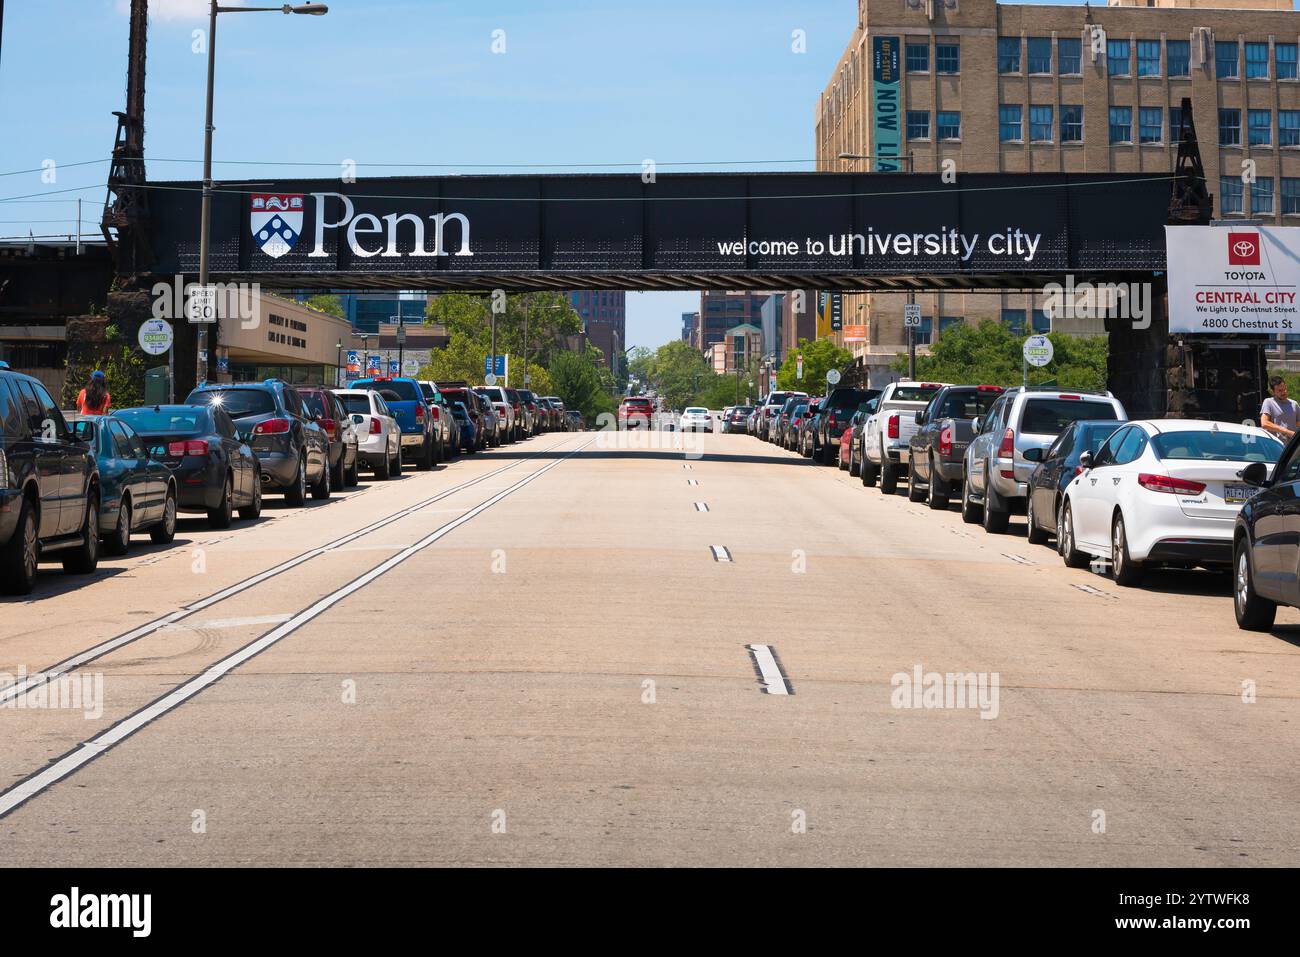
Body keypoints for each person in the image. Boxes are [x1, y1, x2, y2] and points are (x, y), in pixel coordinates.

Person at [1261, 375, 1298, 441]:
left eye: (1285, 389)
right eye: (1280, 390)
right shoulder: (1268, 402)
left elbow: (1298, 424)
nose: (1284, 392)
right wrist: (1287, 432)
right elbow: (1264, 423)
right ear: (1273, 391)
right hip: (1277, 446)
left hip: (1292, 447)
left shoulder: (1294, 404)